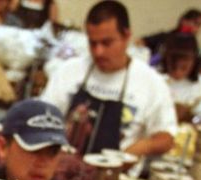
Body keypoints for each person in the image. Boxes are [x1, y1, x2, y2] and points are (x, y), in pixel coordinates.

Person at [41, 0, 177, 159]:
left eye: (107, 43)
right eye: (93, 43)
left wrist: (134, 152)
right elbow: (42, 117)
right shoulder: (69, 71)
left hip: (116, 172)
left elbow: (166, 138)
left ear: (126, 36)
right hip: (63, 166)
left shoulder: (151, 82)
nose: (98, 52)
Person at [138, 8, 201, 81]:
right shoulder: (163, 37)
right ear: (184, 21)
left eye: (200, 26)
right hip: (155, 77)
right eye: (196, 24)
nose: (197, 29)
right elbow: (139, 43)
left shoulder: (194, 46)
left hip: (180, 83)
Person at [158, 32, 201, 122]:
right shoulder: (158, 79)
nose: (178, 72)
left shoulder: (199, 83)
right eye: (173, 67)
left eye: (184, 68)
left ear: (194, 63)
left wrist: (190, 112)